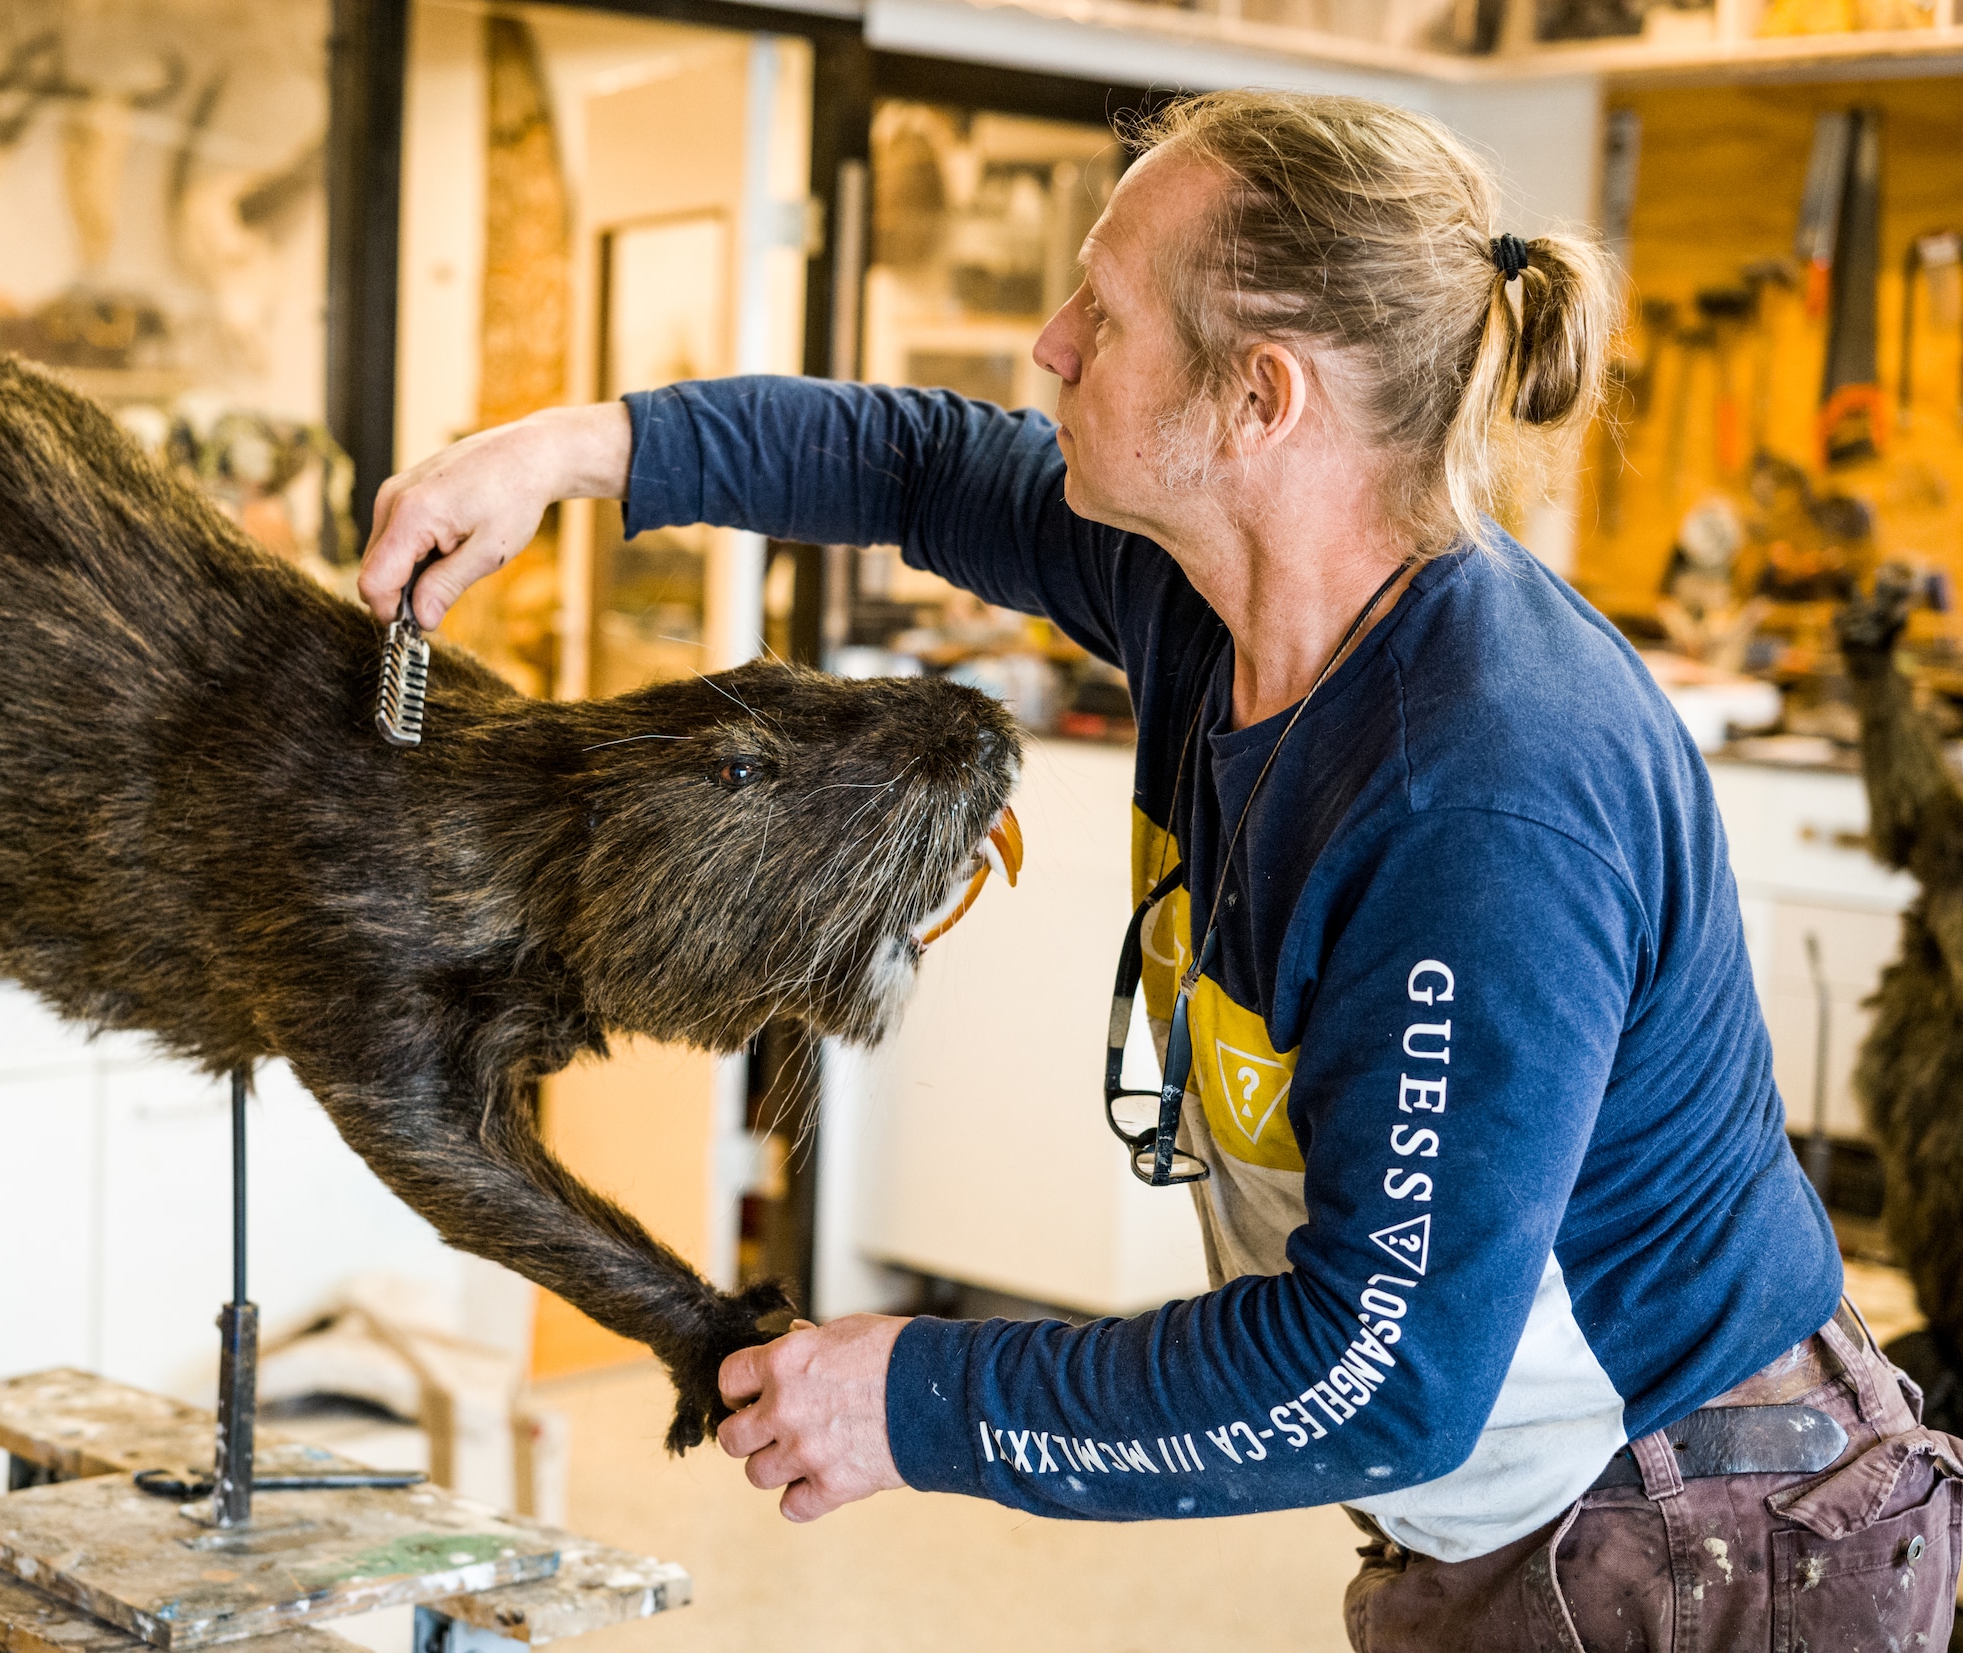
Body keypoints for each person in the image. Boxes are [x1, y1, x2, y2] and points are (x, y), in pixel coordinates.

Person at [357, 90, 1961, 1650]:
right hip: (1517, 1509)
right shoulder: (1206, 592)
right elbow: (918, 462)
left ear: (1259, 402)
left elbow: (1377, 1373)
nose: (1051, 344)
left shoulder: (1477, 803)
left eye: (1104, 313)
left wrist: (918, 1400)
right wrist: (571, 451)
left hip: (1700, 1553)